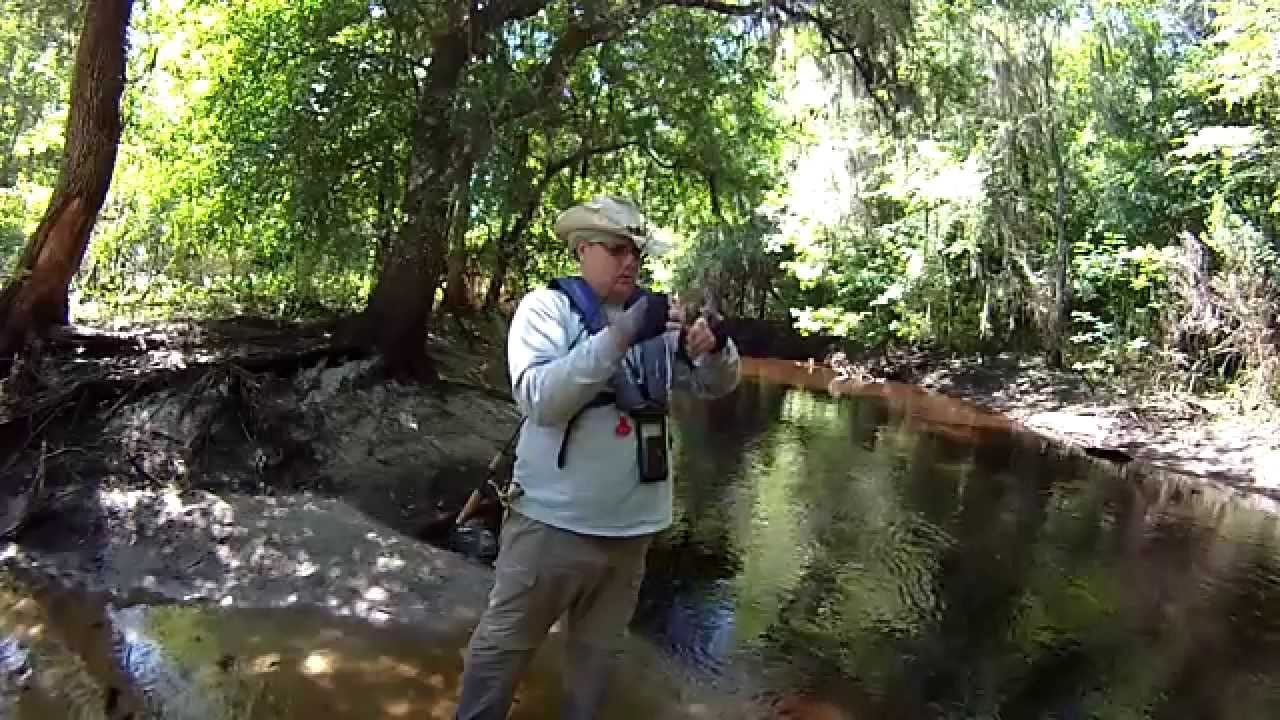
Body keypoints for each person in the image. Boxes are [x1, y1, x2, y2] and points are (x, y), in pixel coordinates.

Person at [455, 195, 742, 719]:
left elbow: (714, 385)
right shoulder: (547, 309)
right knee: (503, 648)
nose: (630, 260)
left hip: (632, 531)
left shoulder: (660, 318)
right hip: (550, 524)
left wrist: (717, 347)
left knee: (596, 661)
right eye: (616, 249)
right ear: (583, 250)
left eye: (635, 251)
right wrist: (623, 333)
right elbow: (540, 398)